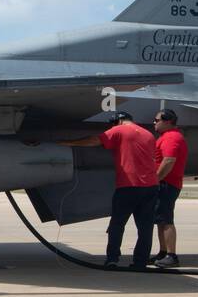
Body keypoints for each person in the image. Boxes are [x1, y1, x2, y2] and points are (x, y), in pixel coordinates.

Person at [61, 111, 159, 269]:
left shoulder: (119, 130)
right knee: (145, 227)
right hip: (151, 186)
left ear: (118, 121)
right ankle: (140, 262)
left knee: (117, 225)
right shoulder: (148, 134)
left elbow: (95, 141)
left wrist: (68, 143)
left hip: (129, 185)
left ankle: (112, 259)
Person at [152, 109, 189, 268]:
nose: (154, 122)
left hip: (167, 184)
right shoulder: (167, 137)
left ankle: (171, 255)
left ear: (167, 121)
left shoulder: (171, 137)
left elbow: (168, 161)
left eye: (157, 119)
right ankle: (163, 252)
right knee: (161, 219)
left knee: (166, 220)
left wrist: (156, 179)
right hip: (165, 183)